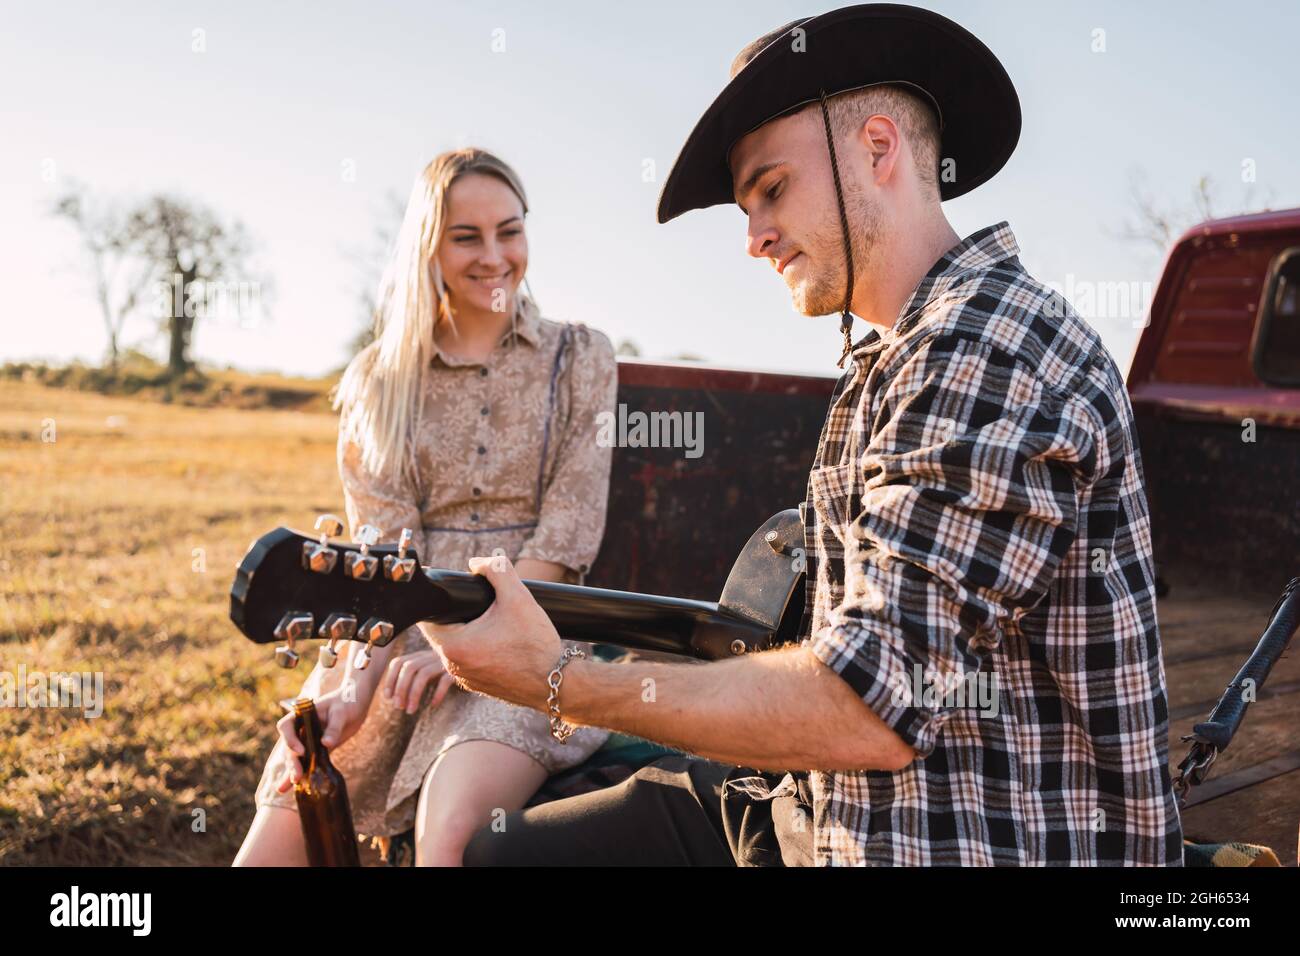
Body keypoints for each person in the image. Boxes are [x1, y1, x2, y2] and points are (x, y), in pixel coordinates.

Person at [421, 5, 1184, 866]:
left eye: (772, 190)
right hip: (813, 804)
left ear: (879, 148)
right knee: (503, 855)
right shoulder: (897, 355)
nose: (753, 239)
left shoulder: (987, 345)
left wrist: (559, 681)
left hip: (949, 837)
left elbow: (864, 704)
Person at [232, 147, 616, 867]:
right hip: (394, 637)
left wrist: (479, 643)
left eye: (510, 230)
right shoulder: (381, 379)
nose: (494, 255)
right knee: (279, 830)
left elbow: (566, 532)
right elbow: (381, 562)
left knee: (448, 837)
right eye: (466, 236)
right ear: (428, 247)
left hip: (534, 630)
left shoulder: (582, 357)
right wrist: (349, 690)